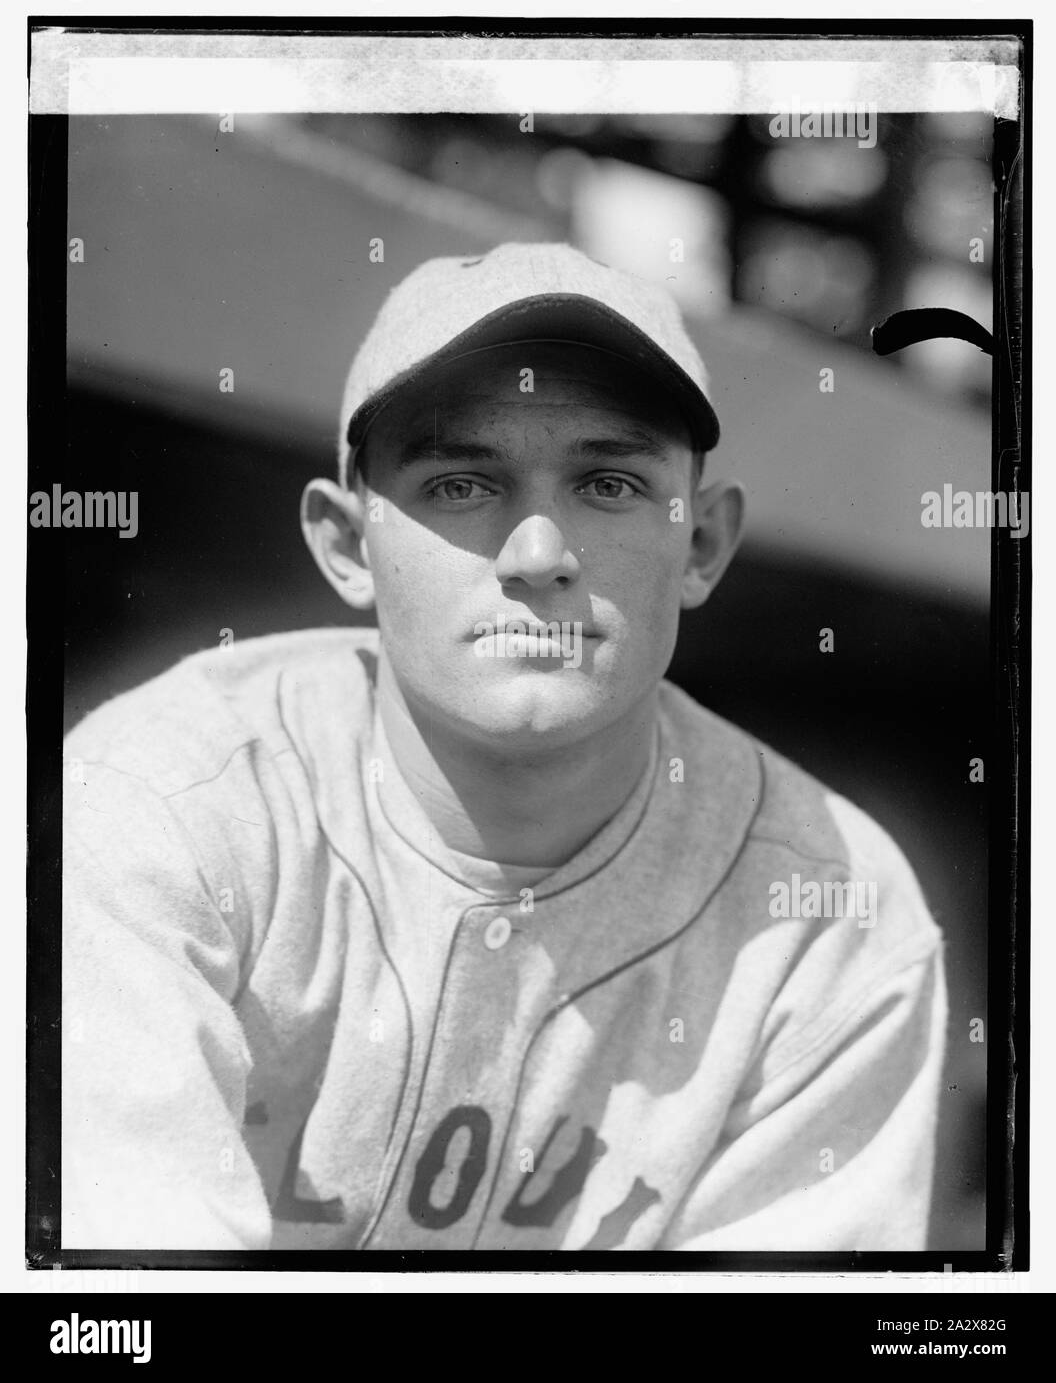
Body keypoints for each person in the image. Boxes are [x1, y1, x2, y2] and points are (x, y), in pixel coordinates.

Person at [62, 241, 946, 1252]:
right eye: (459, 485)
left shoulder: (831, 909)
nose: (538, 557)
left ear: (700, 544)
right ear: (349, 545)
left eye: (607, 483)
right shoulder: (159, 803)